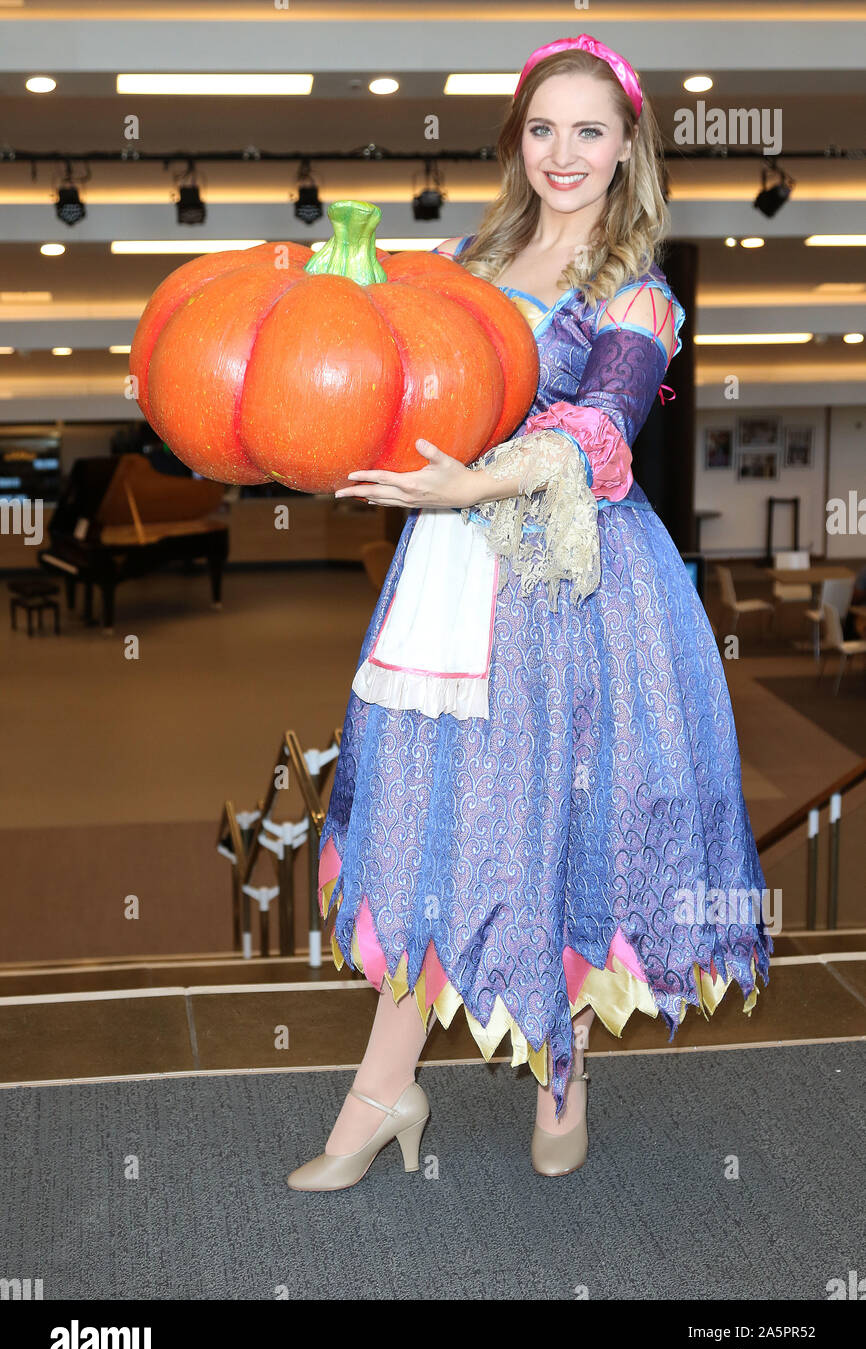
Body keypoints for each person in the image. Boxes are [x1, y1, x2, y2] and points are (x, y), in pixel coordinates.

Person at [287, 34, 773, 1191]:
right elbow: (405, 371)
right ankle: (380, 1088)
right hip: (449, 582)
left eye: (587, 131)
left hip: (578, 594)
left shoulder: (640, 293)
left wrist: (472, 484)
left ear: (625, 148)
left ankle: (564, 1062)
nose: (562, 152)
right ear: (517, 140)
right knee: (422, 822)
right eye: (542, 128)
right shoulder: (465, 257)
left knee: (565, 824)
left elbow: (595, 433)